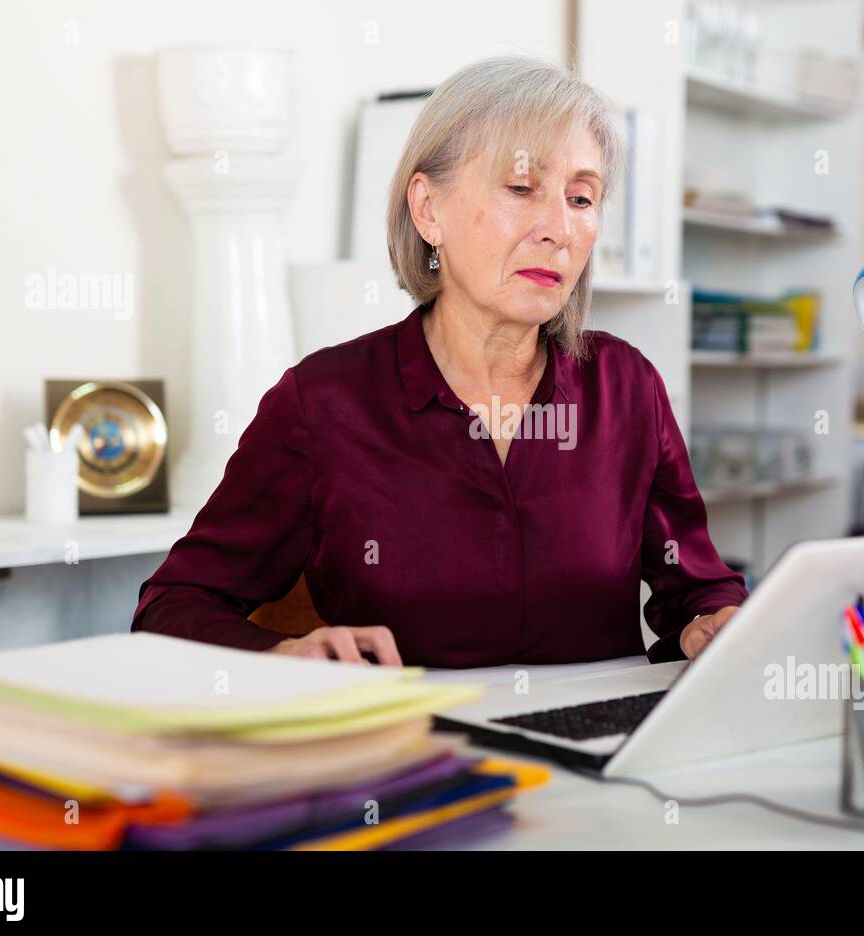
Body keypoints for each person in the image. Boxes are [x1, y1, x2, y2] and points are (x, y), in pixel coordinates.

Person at [131, 56, 747, 667]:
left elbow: (695, 590)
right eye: (521, 188)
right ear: (428, 209)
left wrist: (711, 624)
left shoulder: (626, 387)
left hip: (603, 755)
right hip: (412, 751)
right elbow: (171, 605)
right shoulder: (321, 406)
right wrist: (283, 657)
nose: (559, 228)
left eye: (582, 198)